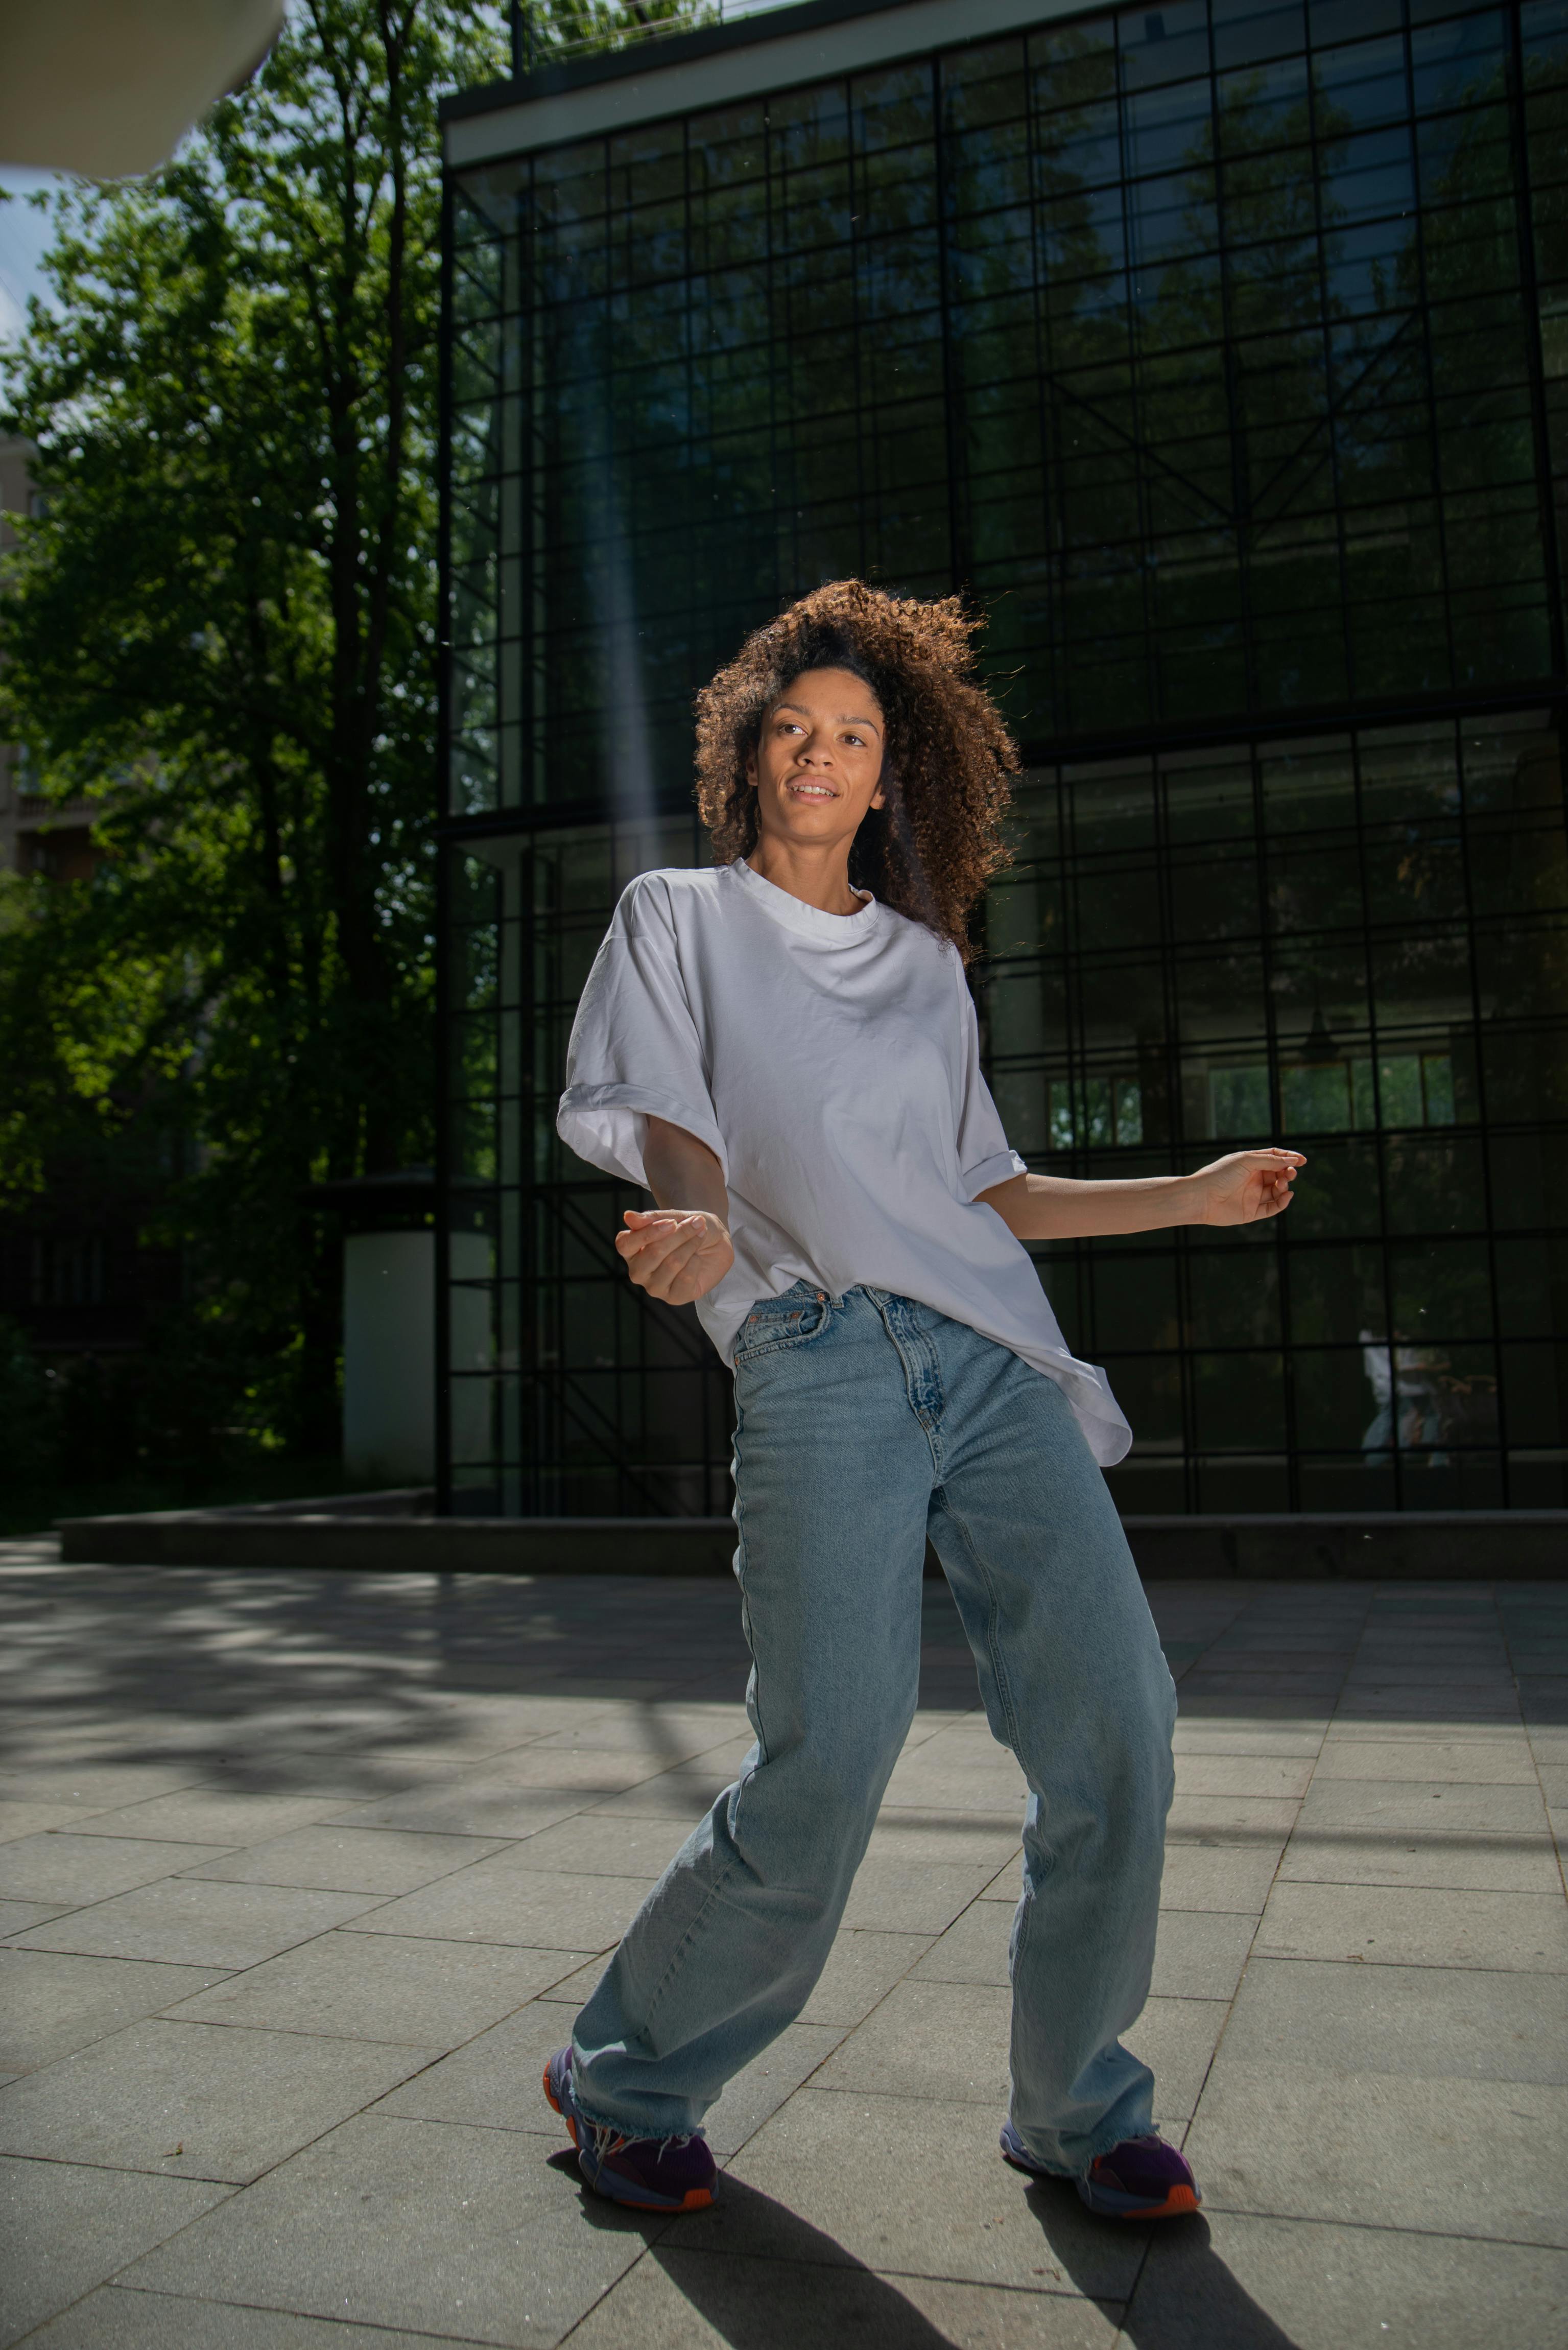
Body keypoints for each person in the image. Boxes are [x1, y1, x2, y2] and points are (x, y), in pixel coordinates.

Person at [542, 580, 1303, 2222]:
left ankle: (1078, 2112)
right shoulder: (677, 918)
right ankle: (628, 2077)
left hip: (993, 1366)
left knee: (1123, 1725)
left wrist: (1192, 1190)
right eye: (794, 733)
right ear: (751, 758)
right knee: (836, 1750)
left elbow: (987, 1189)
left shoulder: (925, 963)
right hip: (819, 1359)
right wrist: (695, 1222)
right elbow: (676, 1115)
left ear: (894, 778)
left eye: (854, 740)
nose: (820, 758)